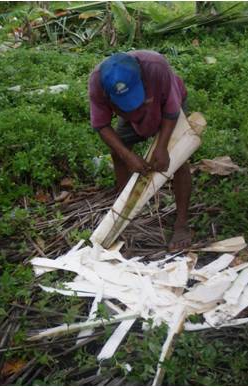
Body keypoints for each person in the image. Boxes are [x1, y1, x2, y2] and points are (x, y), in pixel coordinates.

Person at [88, 51, 192, 252]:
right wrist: (128, 157)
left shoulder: (156, 67)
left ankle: (181, 224)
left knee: (178, 159)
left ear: (142, 79)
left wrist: (162, 148)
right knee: (118, 152)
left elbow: (172, 111)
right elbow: (101, 125)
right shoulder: (97, 83)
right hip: (131, 118)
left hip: (167, 108)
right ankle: (123, 212)